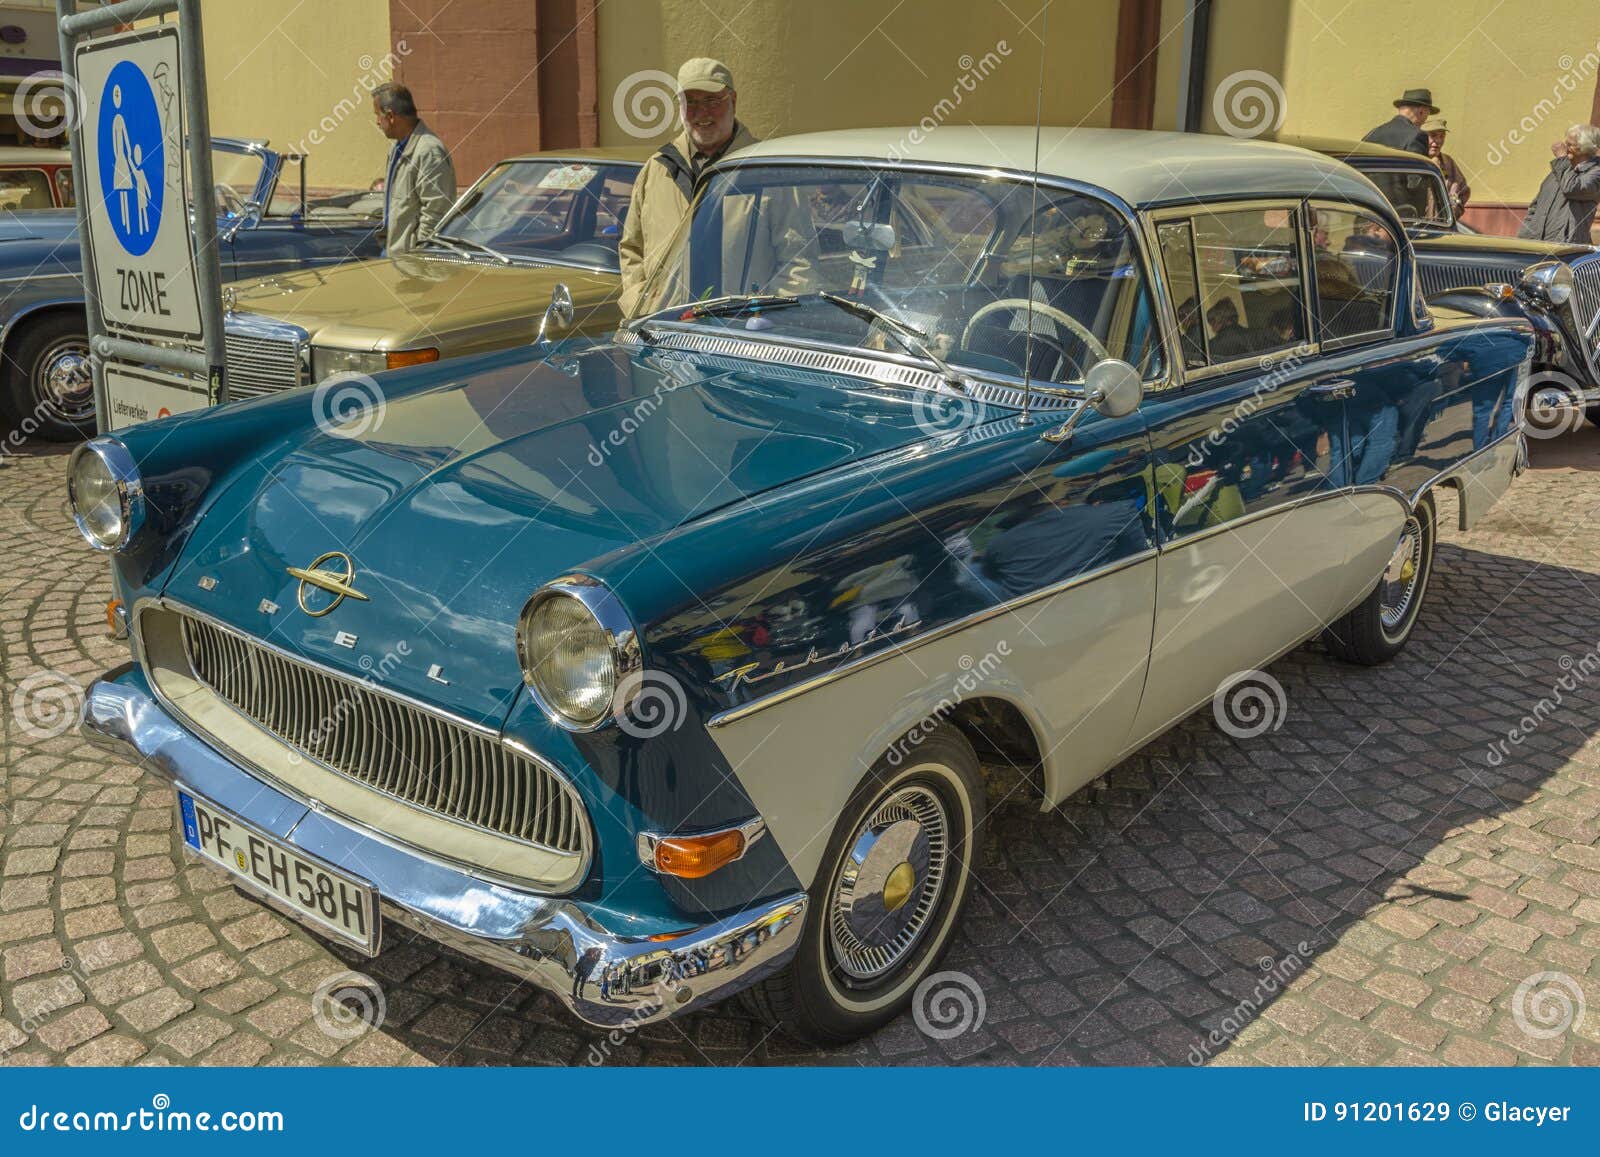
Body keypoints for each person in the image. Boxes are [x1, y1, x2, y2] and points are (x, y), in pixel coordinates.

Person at [618, 58, 811, 316]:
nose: (701, 113)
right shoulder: (658, 168)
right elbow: (632, 248)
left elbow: (800, 264)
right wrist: (640, 304)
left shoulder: (767, 170)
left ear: (733, 101)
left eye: (712, 101)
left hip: (740, 341)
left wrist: (762, 317)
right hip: (664, 333)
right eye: (691, 103)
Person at [372, 82, 456, 256]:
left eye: (378, 115)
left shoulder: (428, 151)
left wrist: (419, 255)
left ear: (390, 116)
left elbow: (436, 212)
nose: (377, 122)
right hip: (393, 252)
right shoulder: (397, 147)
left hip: (412, 259)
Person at [1517, 123, 1600, 244]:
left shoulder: (1596, 173)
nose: (1565, 148)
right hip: (1536, 243)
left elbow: (1572, 188)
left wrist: (1561, 158)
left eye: (1570, 145)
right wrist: (1526, 232)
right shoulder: (1560, 170)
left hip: (1566, 246)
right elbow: (1535, 206)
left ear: (1585, 148)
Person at [1363, 87, 1436, 157]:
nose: (1426, 119)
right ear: (1421, 111)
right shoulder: (1417, 136)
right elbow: (1418, 169)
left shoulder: (1373, 133)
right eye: (1428, 113)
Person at [1421, 116, 1470, 218]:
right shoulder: (1414, 160)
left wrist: (1453, 212)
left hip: (1442, 228)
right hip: (1415, 227)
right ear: (1421, 137)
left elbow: (1463, 191)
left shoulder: (1447, 162)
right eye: (1433, 135)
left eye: (1442, 136)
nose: (1438, 141)